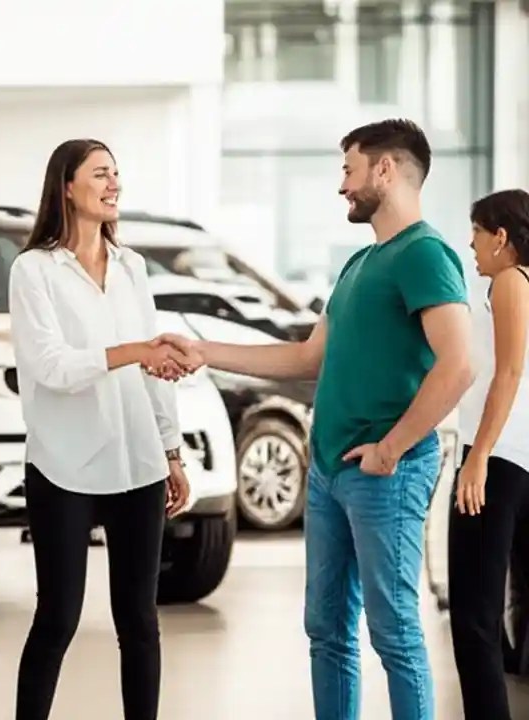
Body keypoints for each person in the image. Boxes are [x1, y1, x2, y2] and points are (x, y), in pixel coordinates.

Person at [158, 119, 474, 720]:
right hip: (330, 469)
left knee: (395, 631)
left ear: (386, 169)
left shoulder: (426, 254)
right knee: (325, 627)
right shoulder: (360, 263)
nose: (342, 187)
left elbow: (459, 366)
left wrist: (391, 447)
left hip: (387, 472)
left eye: (349, 170)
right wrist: (206, 352)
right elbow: (306, 356)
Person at [8, 138, 196, 720]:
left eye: (116, 174)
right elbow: (50, 367)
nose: (114, 184)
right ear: (66, 185)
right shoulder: (33, 270)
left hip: (137, 460)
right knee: (58, 617)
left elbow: (155, 371)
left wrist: (171, 449)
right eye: (100, 174)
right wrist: (134, 350)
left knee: (139, 621)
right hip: (63, 466)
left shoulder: (132, 267)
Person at [450, 187, 529, 720]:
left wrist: (477, 456)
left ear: (501, 238)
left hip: (495, 465)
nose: (471, 244)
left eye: (476, 233)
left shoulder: (509, 281)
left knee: (475, 620)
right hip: (516, 461)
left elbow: (507, 373)